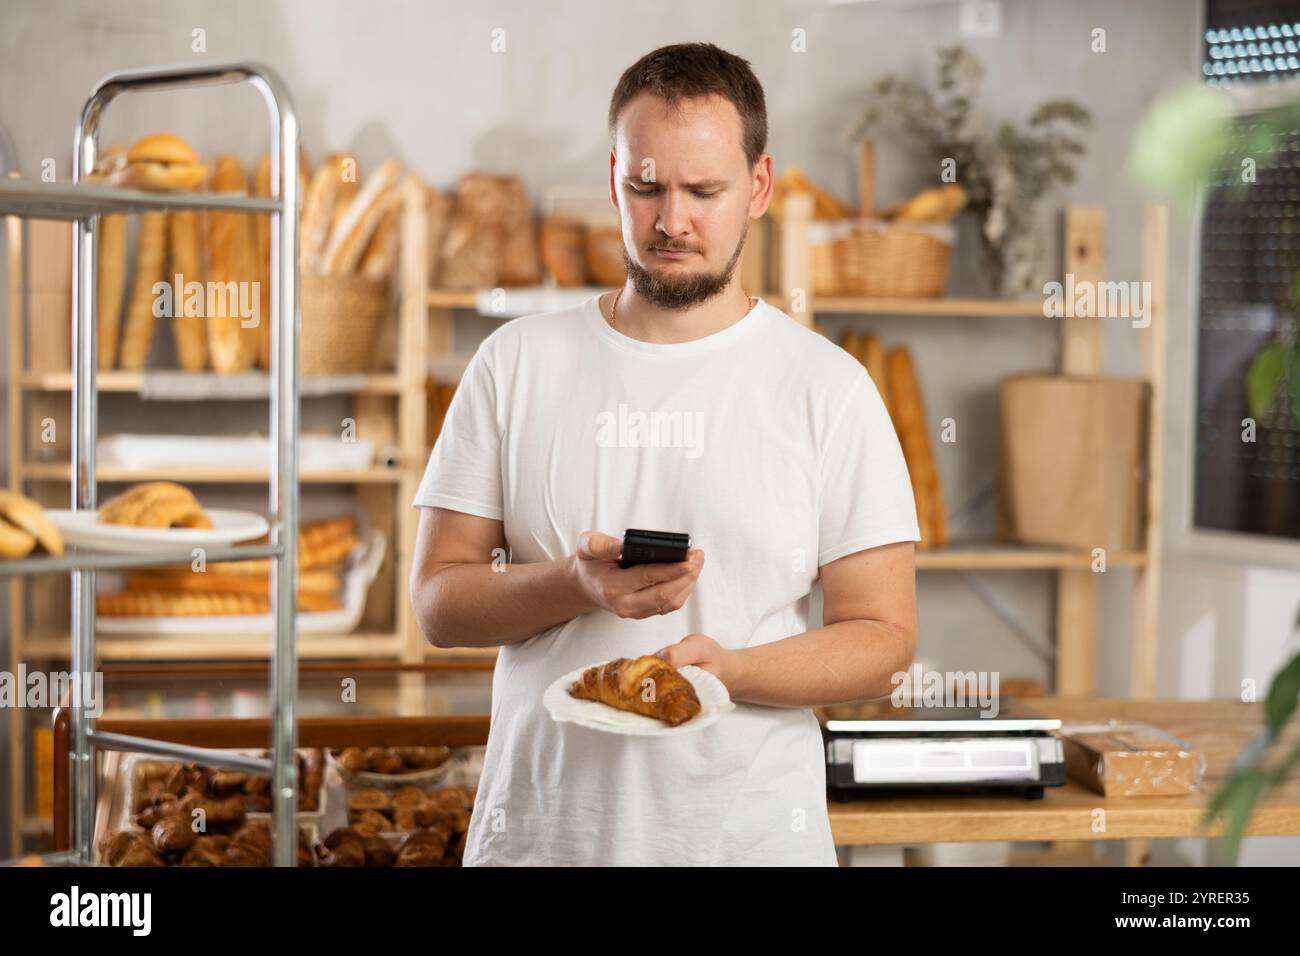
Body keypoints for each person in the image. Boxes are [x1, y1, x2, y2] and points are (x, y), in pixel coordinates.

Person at [410, 41, 919, 866]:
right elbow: (438, 604)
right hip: (543, 840)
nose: (670, 221)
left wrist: (732, 670)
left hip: (747, 840)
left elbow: (884, 637)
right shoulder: (516, 362)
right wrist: (573, 586)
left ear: (758, 187)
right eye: (646, 187)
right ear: (614, 175)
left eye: (703, 191)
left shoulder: (829, 387)